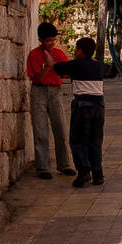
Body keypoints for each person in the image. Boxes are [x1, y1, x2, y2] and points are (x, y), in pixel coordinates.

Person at [57, 37, 108, 188]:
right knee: (95, 141)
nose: (75, 51)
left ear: (80, 51)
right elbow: (110, 71)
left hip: (82, 107)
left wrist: (49, 59)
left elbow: (57, 68)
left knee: (78, 141)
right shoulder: (99, 65)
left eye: (76, 49)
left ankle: (84, 171)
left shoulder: (75, 65)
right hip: (98, 107)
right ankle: (98, 175)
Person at [26, 22, 74, 179]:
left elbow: (66, 72)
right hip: (39, 90)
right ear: (41, 40)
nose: (52, 43)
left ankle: (64, 164)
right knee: (40, 129)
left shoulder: (59, 54)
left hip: (55, 91)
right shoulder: (34, 55)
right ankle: (43, 167)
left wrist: (56, 66)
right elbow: (36, 77)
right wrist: (48, 66)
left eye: (53, 40)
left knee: (60, 127)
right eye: (48, 41)